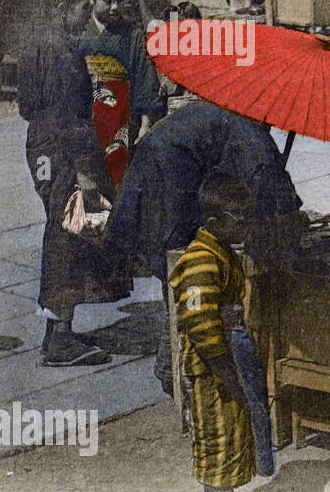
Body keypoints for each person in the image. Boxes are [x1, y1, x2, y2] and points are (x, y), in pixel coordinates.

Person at [107, 97, 301, 394]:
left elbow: (258, 181)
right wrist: (289, 216)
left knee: (183, 274)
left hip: (163, 173)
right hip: (165, 184)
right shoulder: (250, 134)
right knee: (184, 270)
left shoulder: (238, 119)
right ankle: (173, 367)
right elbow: (266, 182)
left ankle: (173, 361)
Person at [18, 0, 130, 367]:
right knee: (74, 236)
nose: (87, 13)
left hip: (40, 148)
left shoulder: (33, 44)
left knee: (59, 230)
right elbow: (74, 123)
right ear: (65, 8)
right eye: (83, 5)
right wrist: (86, 173)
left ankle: (56, 330)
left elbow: (26, 107)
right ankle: (61, 339)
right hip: (67, 155)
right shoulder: (63, 53)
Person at [171, 174, 271, 492]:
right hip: (211, 362)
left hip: (229, 351)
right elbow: (199, 323)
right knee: (218, 431)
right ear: (215, 221)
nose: (244, 225)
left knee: (234, 425)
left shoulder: (221, 252)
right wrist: (226, 371)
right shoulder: (199, 261)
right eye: (238, 219)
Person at [80, 0, 166, 184]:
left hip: (124, 118)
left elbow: (143, 77)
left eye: (119, 0)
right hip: (89, 118)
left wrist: (146, 123)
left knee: (122, 184)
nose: (114, 7)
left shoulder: (132, 34)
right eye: (107, 1)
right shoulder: (80, 33)